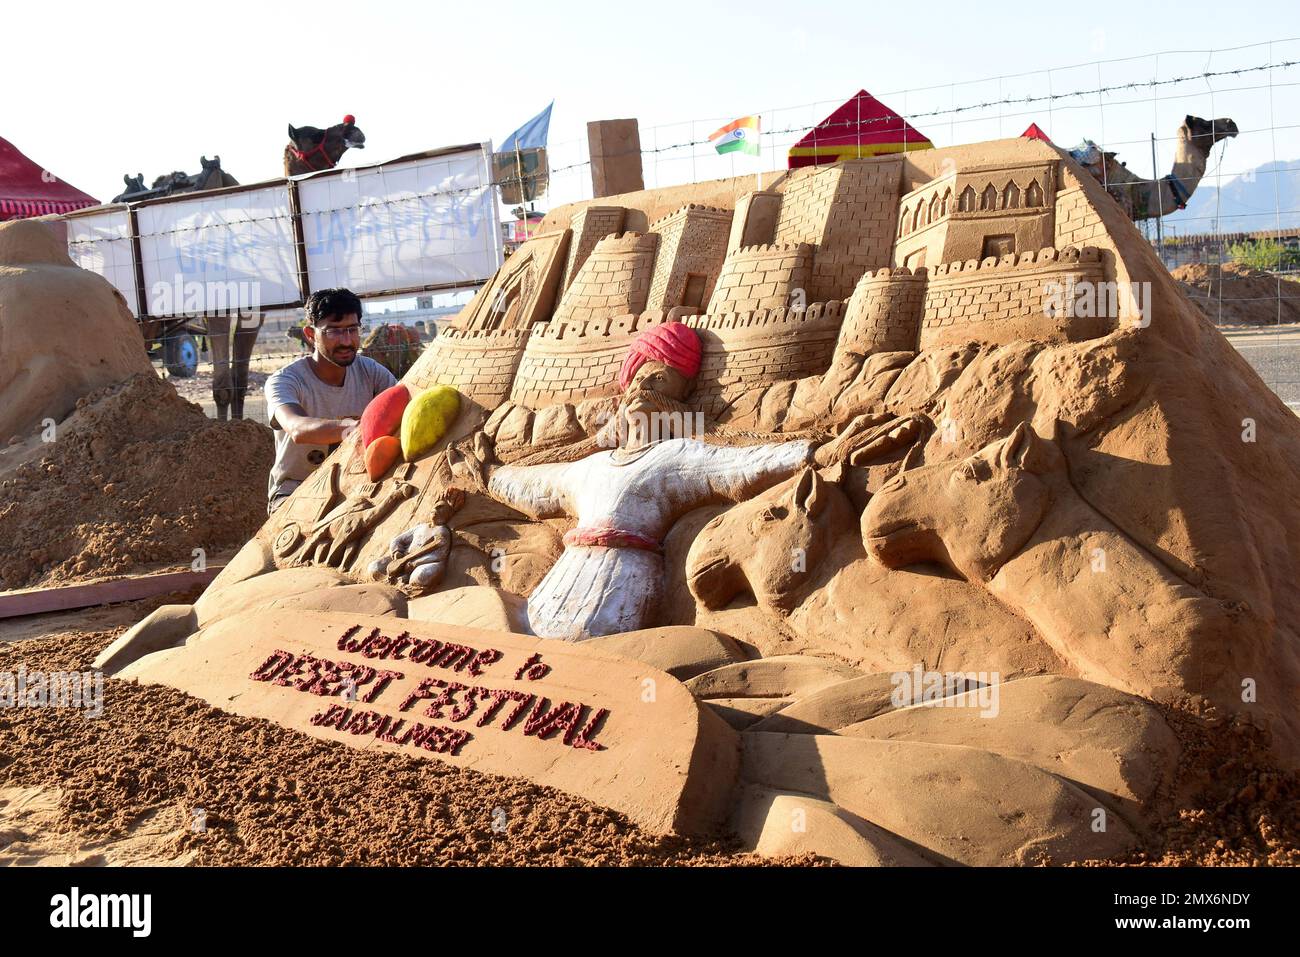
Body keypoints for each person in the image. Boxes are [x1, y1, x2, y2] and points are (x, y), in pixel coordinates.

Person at [264, 288, 397, 515]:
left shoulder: (371, 372)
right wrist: (359, 429)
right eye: (333, 331)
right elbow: (298, 428)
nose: (346, 341)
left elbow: (403, 406)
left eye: (352, 330)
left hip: (358, 486)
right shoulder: (285, 381)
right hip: (295, 491)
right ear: (309, 334)